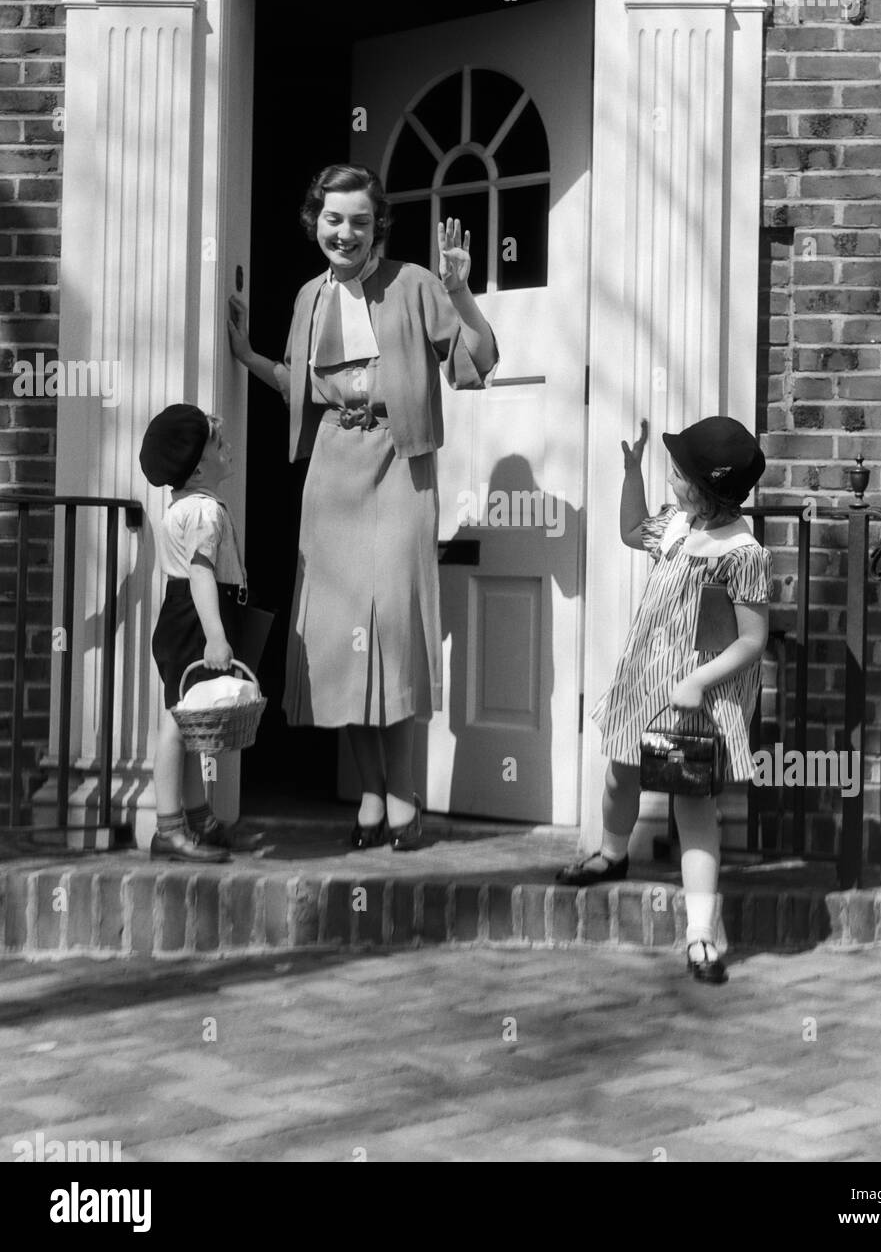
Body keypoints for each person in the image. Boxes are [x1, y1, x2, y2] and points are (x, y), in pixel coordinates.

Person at [227, 163, 497, 850]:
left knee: (393, 634)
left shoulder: (414, 284)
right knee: (343, 641)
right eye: (332, 219)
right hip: (332, 478)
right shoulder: (307, 298)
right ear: (314, 221)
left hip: (400, 468)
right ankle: (372, 795)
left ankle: (402, 791)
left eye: (358, 221)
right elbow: (299, 386)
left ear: (378, 227)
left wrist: (461, 293)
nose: (344, 233)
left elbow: (476, 362)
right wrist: (247, 356)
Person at [556, 415, 772, 984]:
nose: (669, 479)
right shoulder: (676, 524)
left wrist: (700, 682)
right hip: (644, 682)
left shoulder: (741, 552)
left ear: (706, 489)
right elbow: (631, 531)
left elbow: (753, 639)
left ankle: (701, 932)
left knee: (693, 808)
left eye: (677, 474)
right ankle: (611, 853)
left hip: (695, 700)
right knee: (618, 774)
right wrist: (630, 474)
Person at [141, 405, 266, 862]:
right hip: (195, 620)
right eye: (219, 445)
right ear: (198, 466)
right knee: (178, 722)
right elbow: (199, 573)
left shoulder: (193, 508)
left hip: (191, 617)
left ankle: (201, 821)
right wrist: (215, 634)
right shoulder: (202, 513)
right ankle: (168, 830)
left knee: (191, 723)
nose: (228, 448)